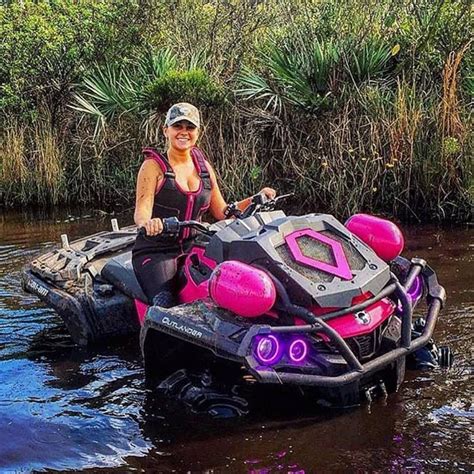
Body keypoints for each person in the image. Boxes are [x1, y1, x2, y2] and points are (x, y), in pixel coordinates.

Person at [132, 102, 276, 306]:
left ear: (198, 132)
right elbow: (142, 212)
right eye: (177, 127)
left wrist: (255, 199)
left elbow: (223, 212)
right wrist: (149, 224)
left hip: (195, 247)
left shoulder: (204, 168)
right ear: (166, 131)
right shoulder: (153, 166)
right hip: (157, 251)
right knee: (165, 303)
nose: (184, 132)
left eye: (189, 127)